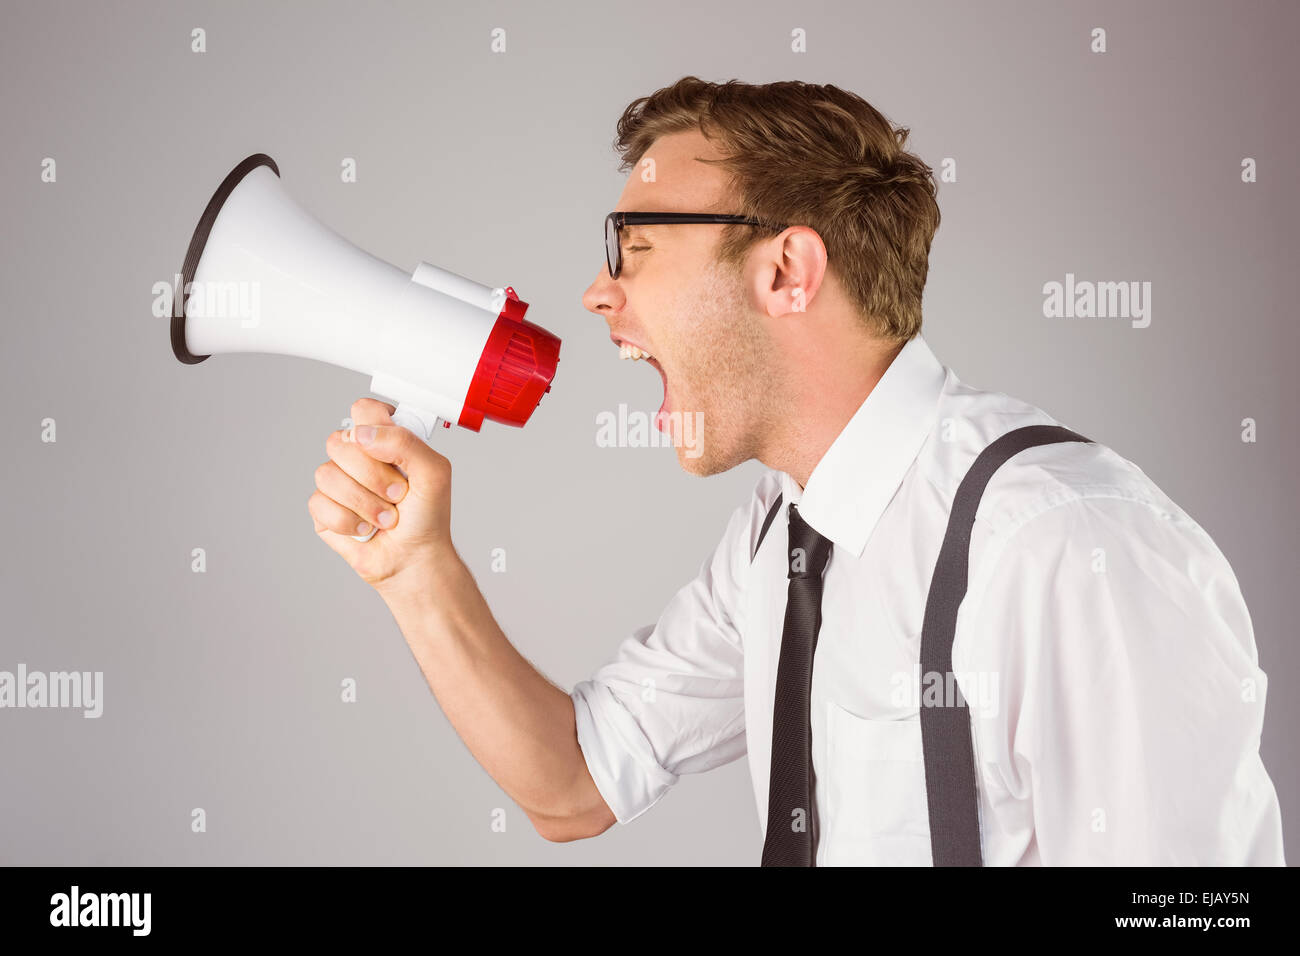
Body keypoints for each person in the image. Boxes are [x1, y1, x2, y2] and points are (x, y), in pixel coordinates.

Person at [306, 77, 1285, 865]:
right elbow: (573, 783)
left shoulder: (1064, 545)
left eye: (635, 248)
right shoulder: (783, 534)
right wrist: (416, 570)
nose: (597, 293)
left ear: (785, 271)